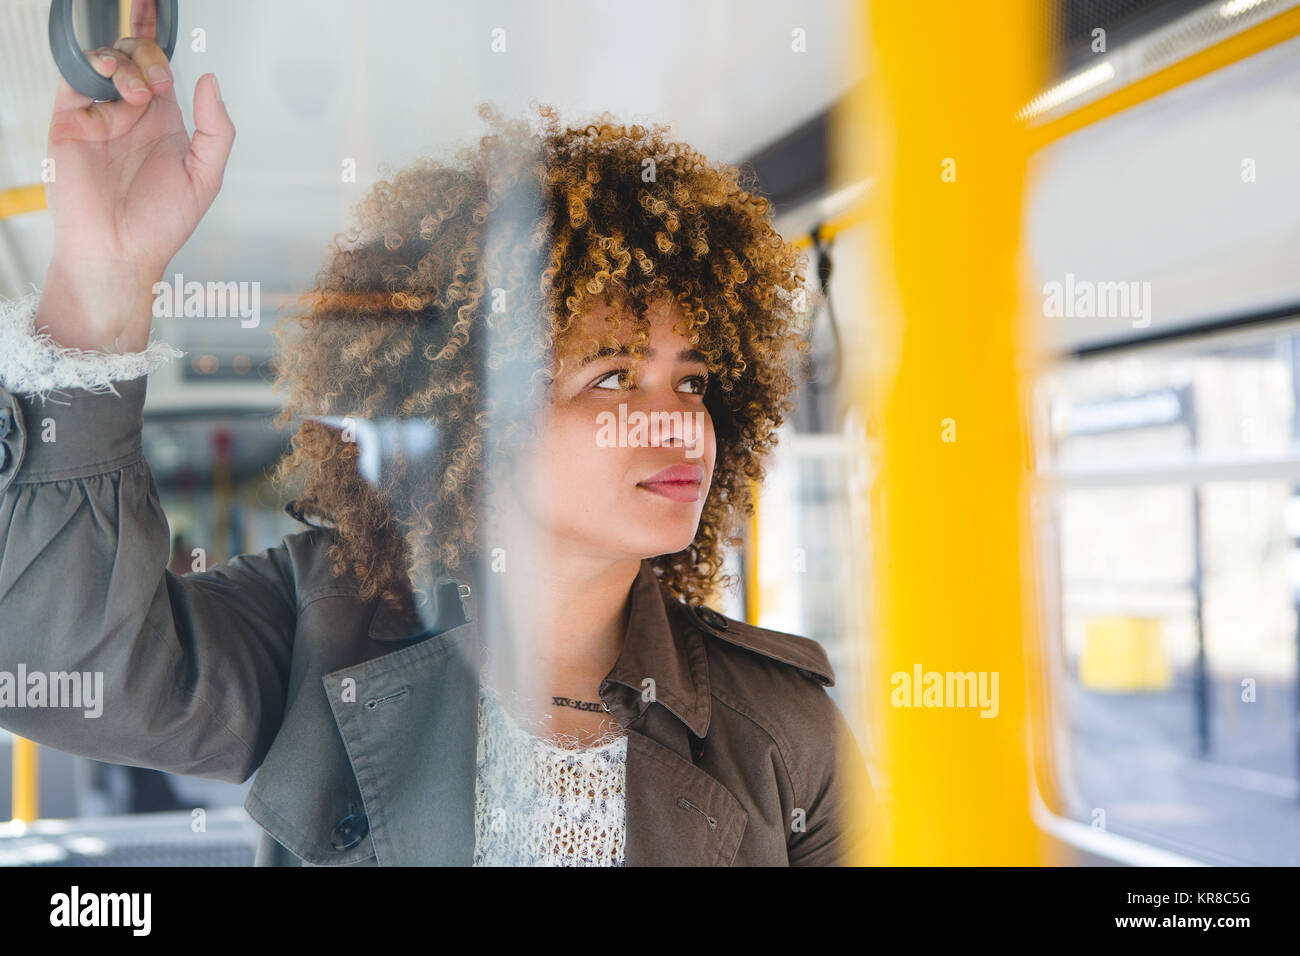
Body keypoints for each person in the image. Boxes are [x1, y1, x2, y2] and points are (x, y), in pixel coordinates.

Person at [0, 4, 878, 865]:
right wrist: (102, 276)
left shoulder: (783, 730)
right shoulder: (323, 630)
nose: (680, 419)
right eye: (612, 377)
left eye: (693, 380)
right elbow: (63, 662)